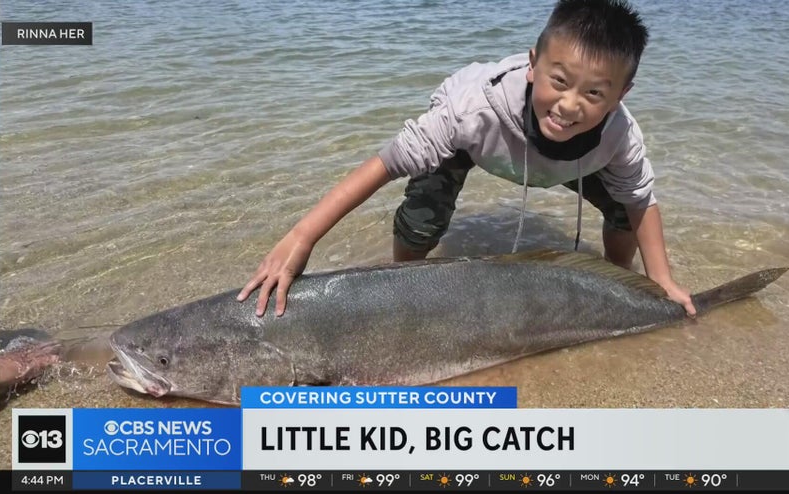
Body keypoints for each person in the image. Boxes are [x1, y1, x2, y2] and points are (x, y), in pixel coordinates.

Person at [238, 0, 697, 318]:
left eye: (594, 93)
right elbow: (386, 163)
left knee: (622, 210)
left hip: (576, 162)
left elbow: (641, 199)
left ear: (621, 95)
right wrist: (301, 238)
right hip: (477, 144)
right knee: (421, 215)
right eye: (559, 81)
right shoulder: (470, 110)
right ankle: (405, 283)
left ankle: (621, 282)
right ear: (533, 65)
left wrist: (660, 281)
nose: (570, 105)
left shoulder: (618, 133)